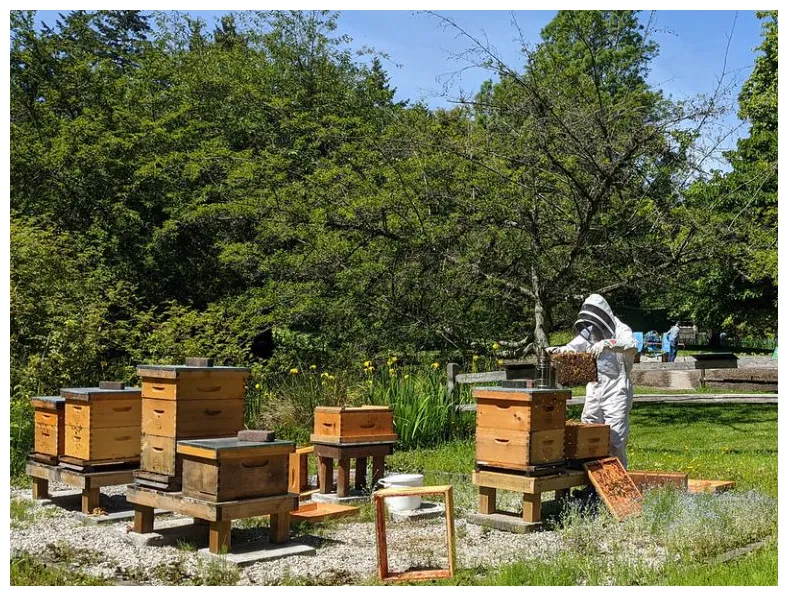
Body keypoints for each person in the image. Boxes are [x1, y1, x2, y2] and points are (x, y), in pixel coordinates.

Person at [547, 294, 638, 468]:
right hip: (595, 387)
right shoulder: (591, 330)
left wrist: (608, 343)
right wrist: (557, 350)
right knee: (588, 435)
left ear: (604, 314)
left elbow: (632, 345)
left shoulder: (621, 329)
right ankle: (591, 483)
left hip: (616, 389)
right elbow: (573, 347)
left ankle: (617, 485)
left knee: (615, 438)